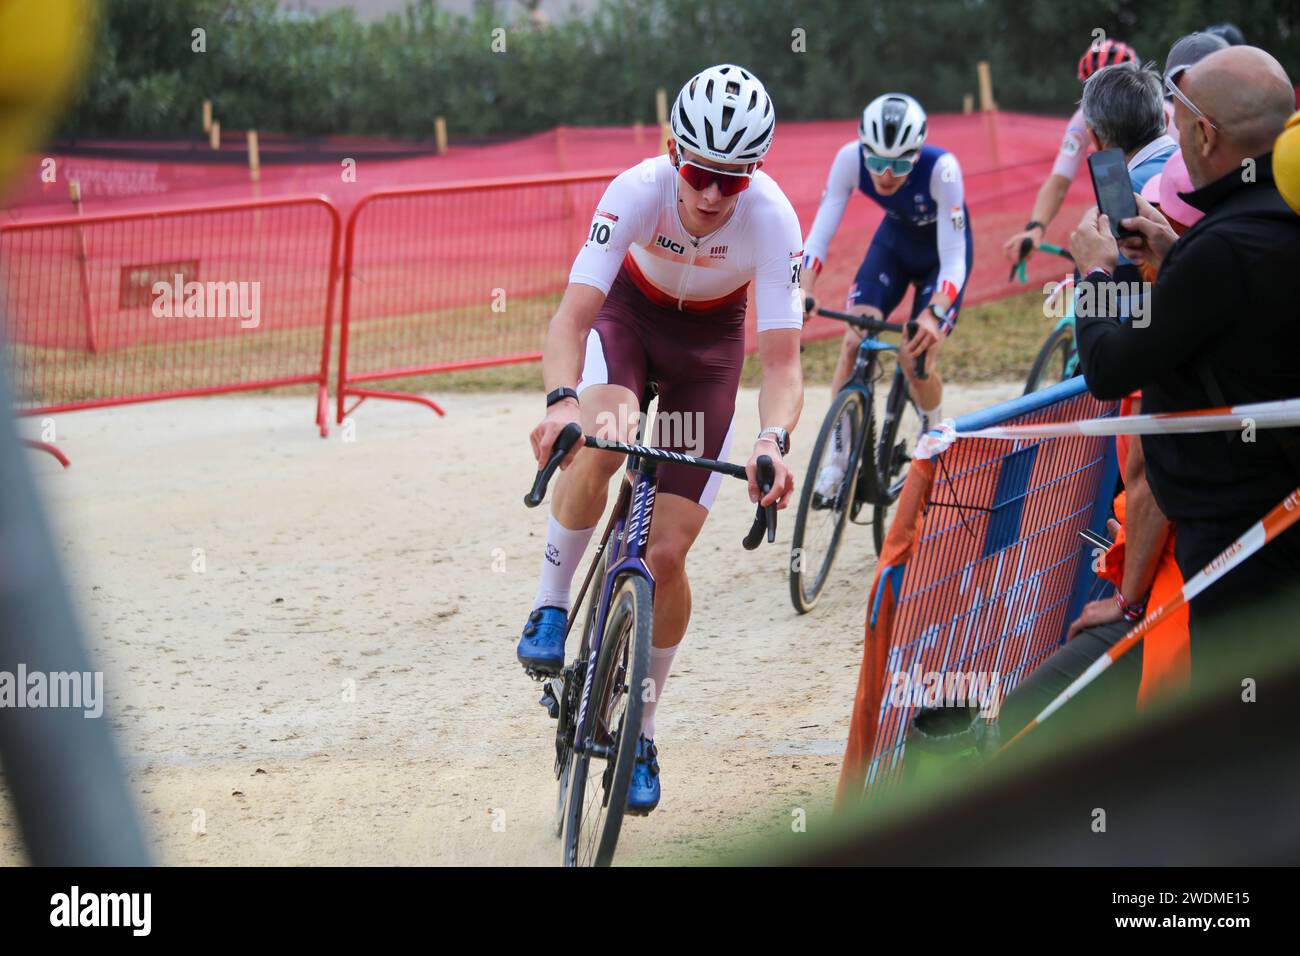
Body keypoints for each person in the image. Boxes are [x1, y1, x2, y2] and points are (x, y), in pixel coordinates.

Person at [516, 64, 805, 815]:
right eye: (699, 172)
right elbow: (572, 319)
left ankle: (641, 731)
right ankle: (551, 604)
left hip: (708, 354)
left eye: (731, 180)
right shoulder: (637, 190)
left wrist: (772, 439)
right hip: (629, 324)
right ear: (673, 149)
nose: (711, 194)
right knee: (605, 441)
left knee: (667, 557)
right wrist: (561, 402)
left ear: (755, 174)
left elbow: (782, 363)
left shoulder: (773, 219)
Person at [1070, 46, 1300, 684]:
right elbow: (1248, 309)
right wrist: (1174, 253)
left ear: (1205, 133)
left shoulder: (1222, 248)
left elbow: (1109, 368)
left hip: (1236, 535)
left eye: (1179, 116)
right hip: (1277, 510)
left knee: (1244, 717)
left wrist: (1095, 274)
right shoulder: (1276, 215)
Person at [799, 93, 972, 498]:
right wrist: (803, 288)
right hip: (893, 246)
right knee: (853, 341)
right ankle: (837, 460)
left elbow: (954, 260)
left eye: (900, 164)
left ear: (917, 154)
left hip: (941, 259)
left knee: (915, 357)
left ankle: (931, 434)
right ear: (863, 149)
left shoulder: (943, 170)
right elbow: (819, 234)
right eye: (876, 162)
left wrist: (934, 313)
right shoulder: (849, 160)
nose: (887, 174)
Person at [1001, 38, 1138, 266]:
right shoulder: (1083, 119)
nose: (1107, 105)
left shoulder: (1166, 115)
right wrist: (1036, 227)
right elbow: (1059, 181)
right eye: (1097, 95)